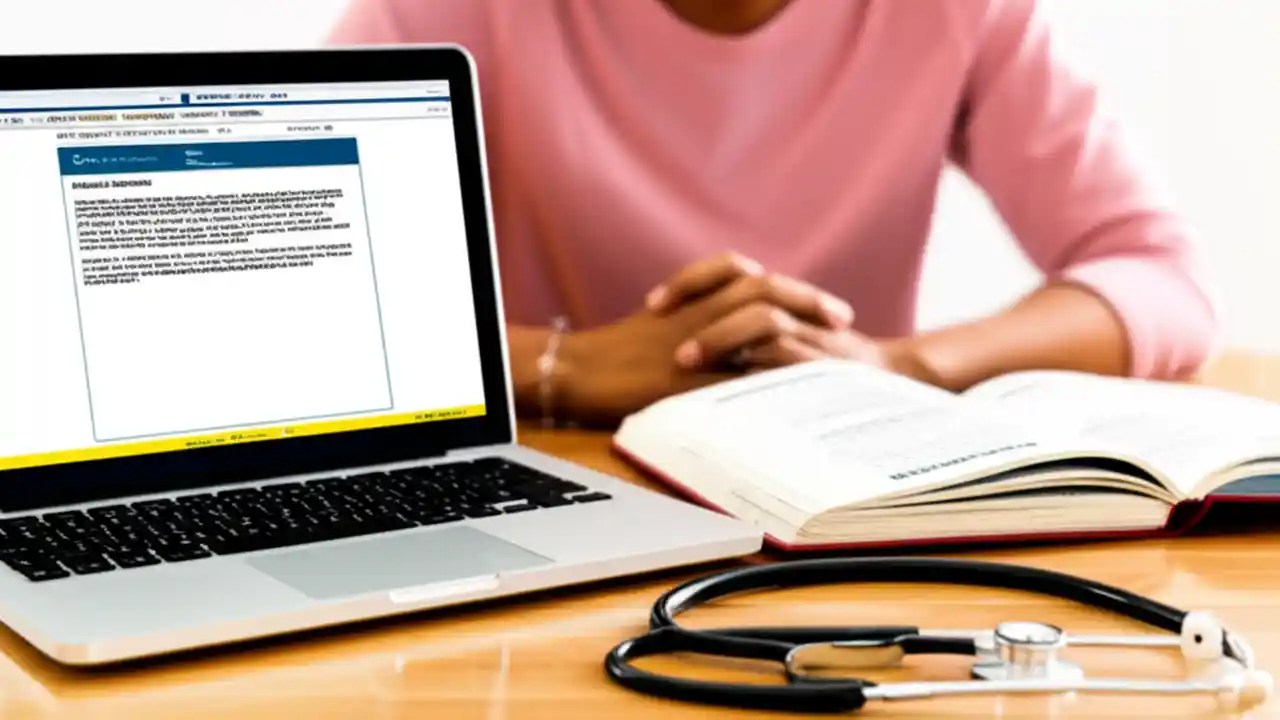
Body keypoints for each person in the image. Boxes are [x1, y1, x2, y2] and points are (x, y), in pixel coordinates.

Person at [328, 0, 1220, 427]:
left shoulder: (962, 13)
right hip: (559, 469)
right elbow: (303, 312)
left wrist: (903, 365)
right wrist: (569, 366)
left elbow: (1162, 278)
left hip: (843, 483)